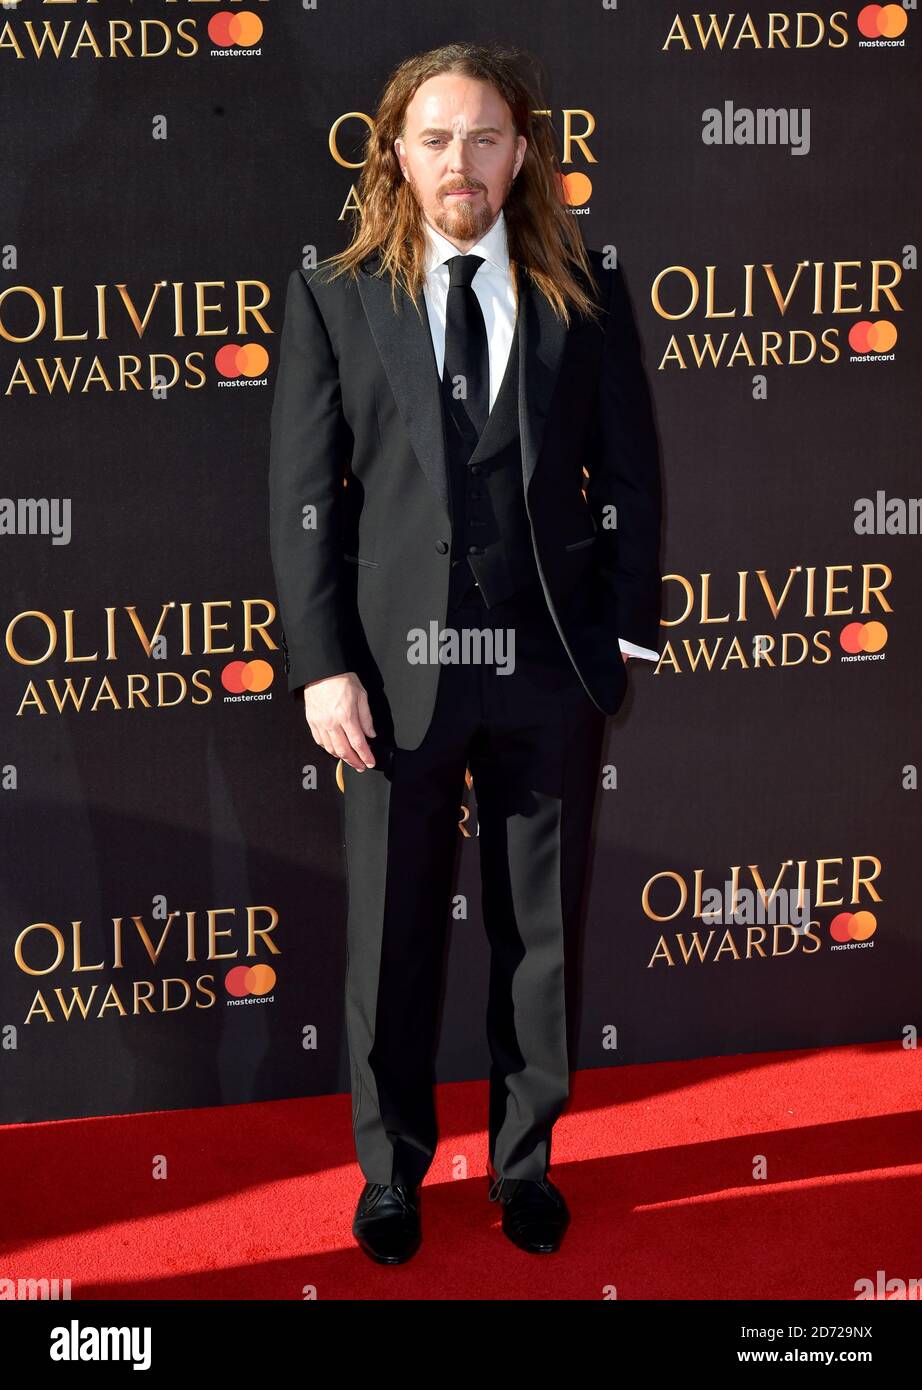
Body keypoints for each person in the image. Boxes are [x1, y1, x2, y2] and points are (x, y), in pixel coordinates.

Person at [268, 41, 662, 1264]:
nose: (461, 162)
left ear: (522, 152)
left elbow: (633, 475)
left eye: (484, 137)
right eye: (435, 138)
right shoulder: (338, 295)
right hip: (393, 678)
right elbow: (304, 494)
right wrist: (322, 662)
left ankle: (524, 1162)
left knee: (536, 932)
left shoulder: (584, 290)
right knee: (391, 936)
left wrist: (622, 631)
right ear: (395, 154)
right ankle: (390, 1175)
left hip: (546, 666)